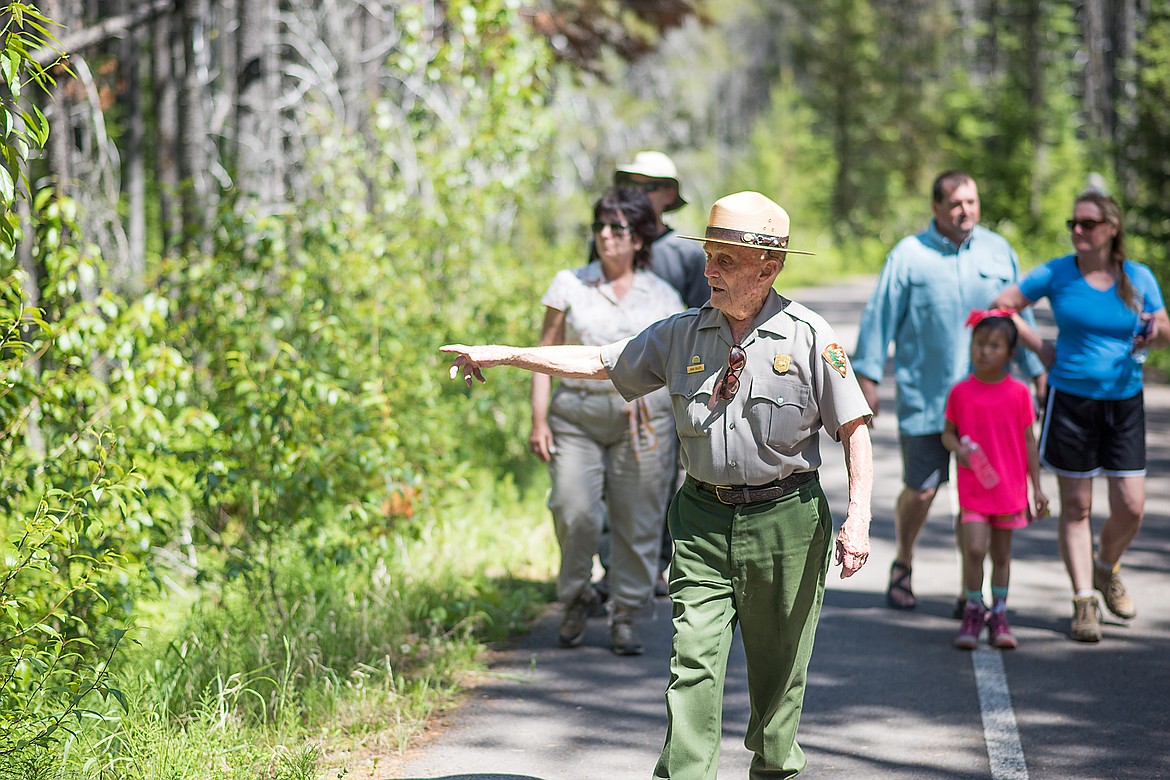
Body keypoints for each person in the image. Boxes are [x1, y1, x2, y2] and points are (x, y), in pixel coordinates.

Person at [444, 191, 874, 778]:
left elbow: (855, 428)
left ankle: (774, 770)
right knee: (693, 660)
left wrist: (859, 519)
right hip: (701, 520)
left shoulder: (808, 337)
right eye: (710, 256)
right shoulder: (679, 335)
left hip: (787, 524)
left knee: (779, 678)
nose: (709, 271)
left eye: (726, 260)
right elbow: (600, 361)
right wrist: (504, 356)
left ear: (767, 268)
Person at [852, 170, 1045, 612]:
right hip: (928, 399)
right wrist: (867, 379)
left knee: (977, 497)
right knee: (921, 490)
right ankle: (903, 562)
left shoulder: (999, 253)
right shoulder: (908, 256)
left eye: (972, 202)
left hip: (989, 405)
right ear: (936, 208)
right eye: (956, 204)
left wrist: (1036, 370)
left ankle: (970, 592)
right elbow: (879, 318)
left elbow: (1020, 320)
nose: (966, 211)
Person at [991, 190, 1168, 642]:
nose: (1077, 230)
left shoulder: (1138, 276)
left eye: (1087, 223)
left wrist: (1155, 332)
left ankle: (1105, 566)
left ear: (1111, 229)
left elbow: (1164, 330)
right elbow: (1003, 304)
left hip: (1124, 402)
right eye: (1073, 222)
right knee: (1077, 506)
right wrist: (1040, 348)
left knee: (1131, 506)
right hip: (1070, 402)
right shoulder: (1057, 272)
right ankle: (1083, 599)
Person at [528, 188, 684, 655]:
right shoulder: (569, 284)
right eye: (600, 226)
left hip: (644, 421)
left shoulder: (663, 295)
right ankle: (577, 597)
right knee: (574, 510)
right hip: (577, 414)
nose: (605, 236)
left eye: (617, 229)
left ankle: (626, 614)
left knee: (638, 520)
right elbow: (544, 355)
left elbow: (677, 364)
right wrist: (539, 420)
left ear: (639, 239)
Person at [941, 311, 1049, 650]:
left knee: (1002, 555)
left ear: (1011, 354)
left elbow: (1029, 442)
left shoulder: (1018, 393)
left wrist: (1038, 487)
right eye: (979, 344)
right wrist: (958, 448)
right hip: (974, 487)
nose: (984, 351)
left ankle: (999, 614)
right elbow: (947, 434)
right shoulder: (960, 392)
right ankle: (973, 610)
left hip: (1009, 488)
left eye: (994, 346)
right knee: (974, 549)